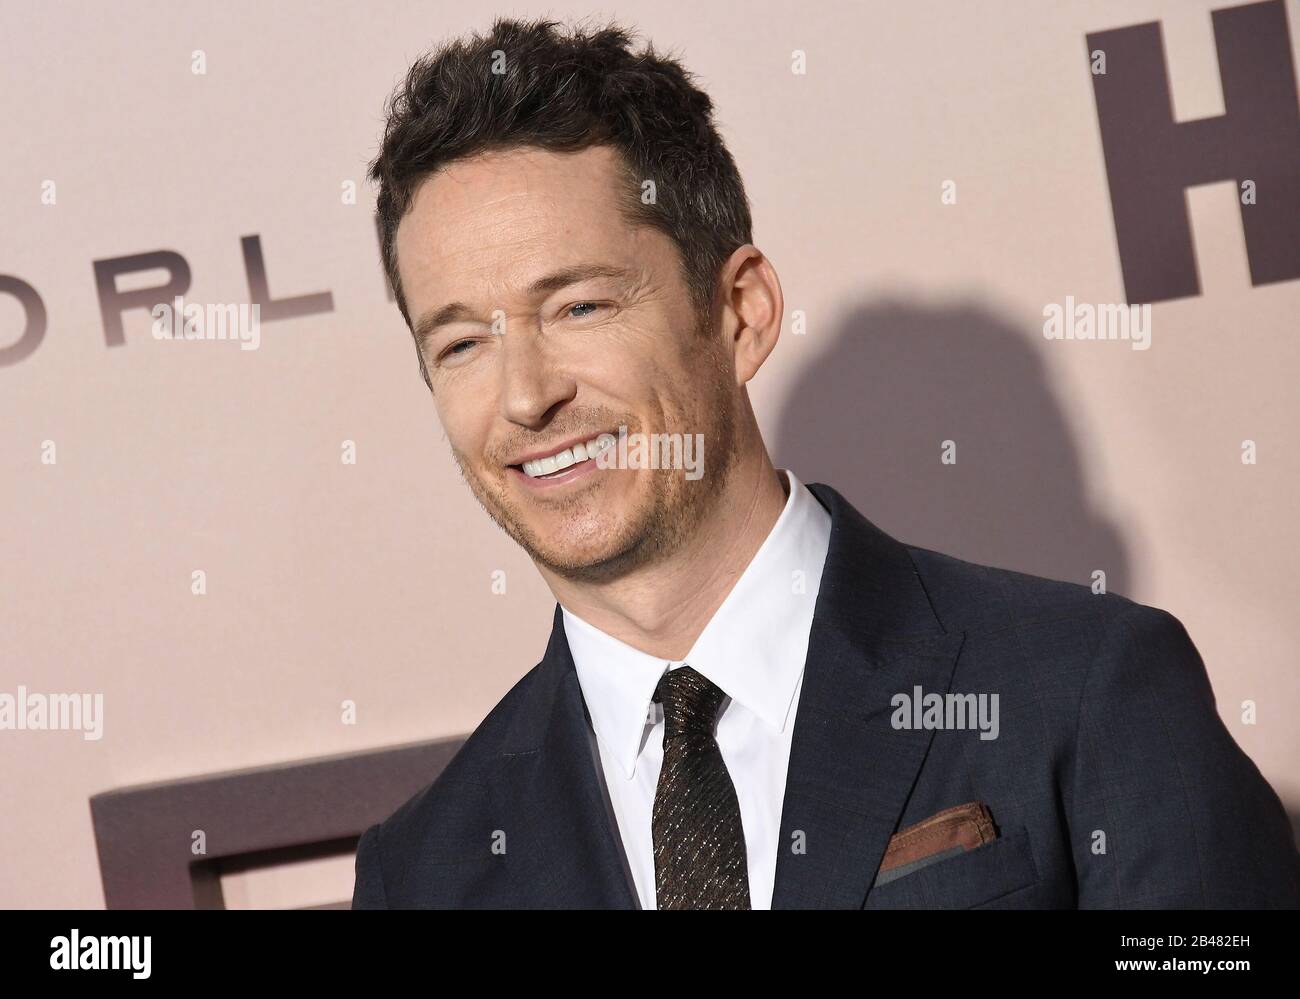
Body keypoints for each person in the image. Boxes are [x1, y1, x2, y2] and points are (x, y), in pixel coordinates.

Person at [351, 16, 1298, 909]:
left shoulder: (1086, 690)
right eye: (463, 342)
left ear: (741, 313)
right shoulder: (427, 869)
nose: (525, 397)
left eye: (580, 307)